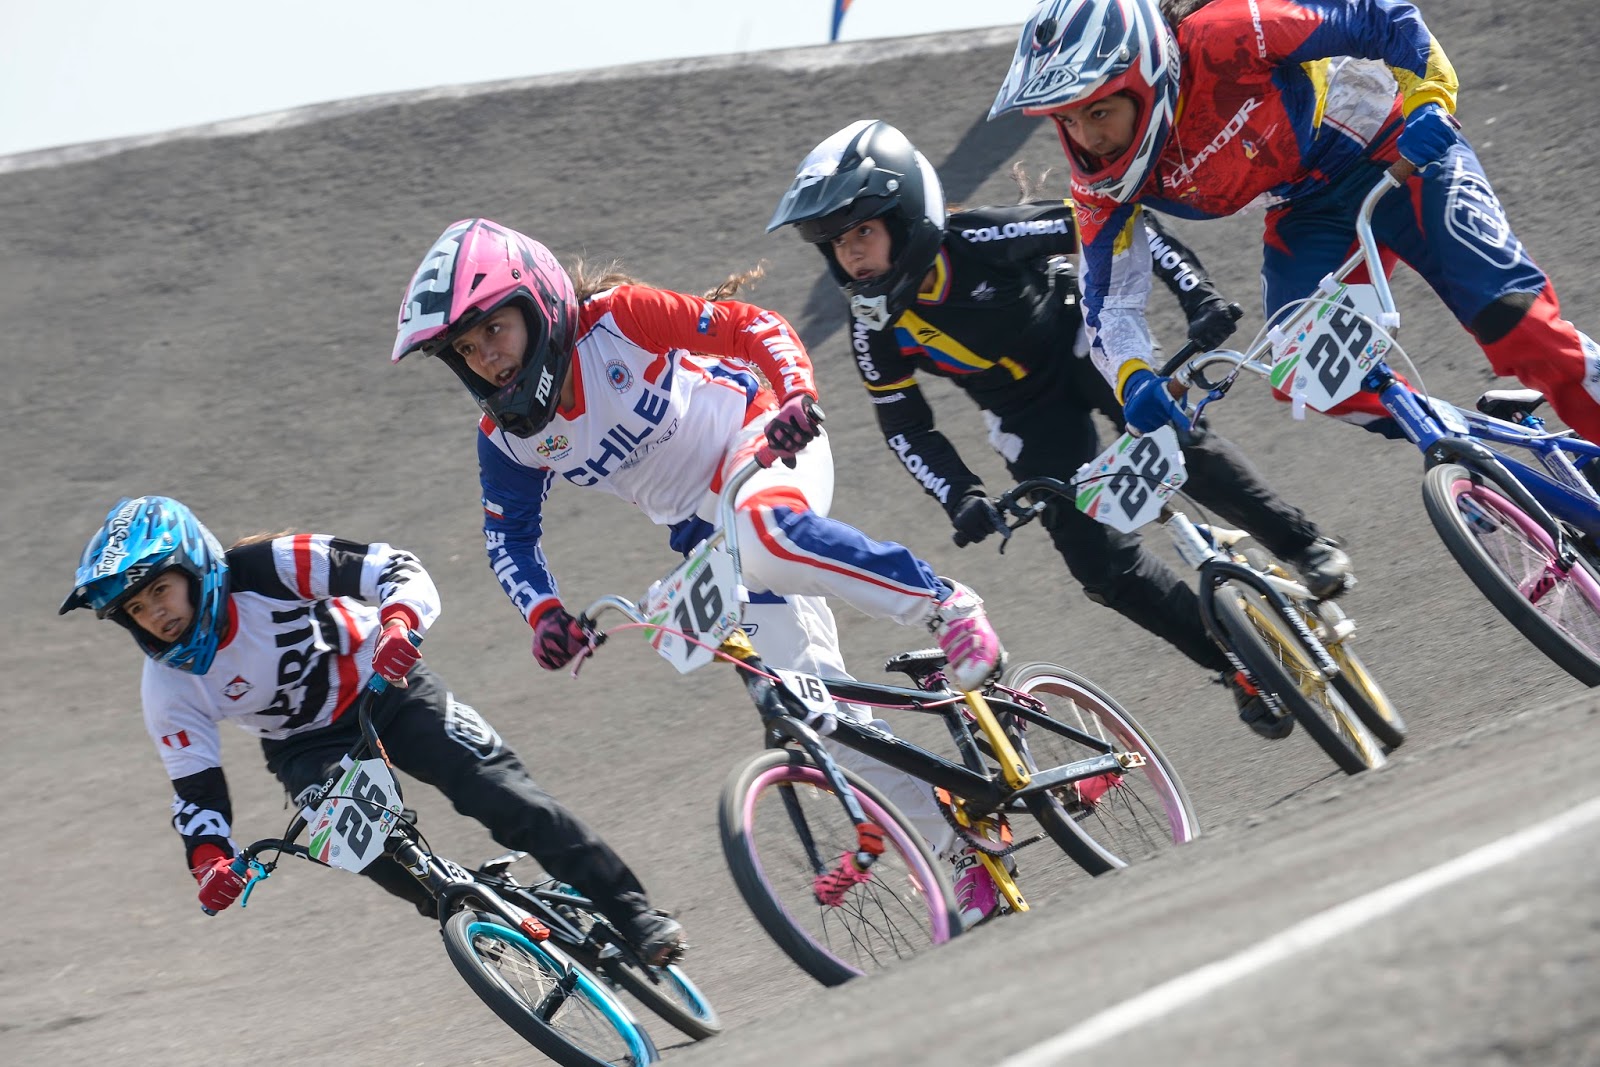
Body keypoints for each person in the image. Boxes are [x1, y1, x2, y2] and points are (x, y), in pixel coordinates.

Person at [390, 218, 1011, 924]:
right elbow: (508, 538)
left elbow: (753, 326)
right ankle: (966, 844)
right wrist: (545, 613)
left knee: (765, 536)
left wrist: (797, 392)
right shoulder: (507, 439)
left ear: (540, 303)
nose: (487, 358)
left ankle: (946, 604)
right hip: (706, 536)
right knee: (816, 715)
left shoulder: (617, 321)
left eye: (494, 330)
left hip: (764, 442)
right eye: (466, 350)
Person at [768, 118, 1352, 737]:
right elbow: (906, 427)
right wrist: (960, 495)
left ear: (909, 217)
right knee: (1097, 566)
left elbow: (1119, 225)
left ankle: (1303, 545)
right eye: (836, 243)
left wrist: (1198, 295)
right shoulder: (872, 328)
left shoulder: (978, 236)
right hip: (1024, 412)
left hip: (1084, 342)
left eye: (863, 231)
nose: (851, 254)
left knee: (1175, 440)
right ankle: (1233, 666)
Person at [59, 495, 687, 965]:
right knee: (373, 851)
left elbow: (395, 569)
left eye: (160, 591)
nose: (155, 615)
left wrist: (399, 624)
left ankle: (635, 916)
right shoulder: (166, 687)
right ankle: (486, 924)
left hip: (389, 686)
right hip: (305, 744)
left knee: (503, 797)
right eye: (135, 609)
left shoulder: (269, 567)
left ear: (196, 567)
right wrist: (209, 862)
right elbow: (196, 793)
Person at [988, 0, 1600, 443]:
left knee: (1512, 322)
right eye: (1067, 120)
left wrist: (1430, 100)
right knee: (1309, 377)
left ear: (1147, 80)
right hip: (1308, 209)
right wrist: (1131, 377)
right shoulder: (1099, 190)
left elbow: (1382, 19)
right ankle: (1483, 452)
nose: (1087, 138)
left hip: (1399, 151)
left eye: (1098, 112)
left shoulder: (1226, 34)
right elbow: (1108, 304)